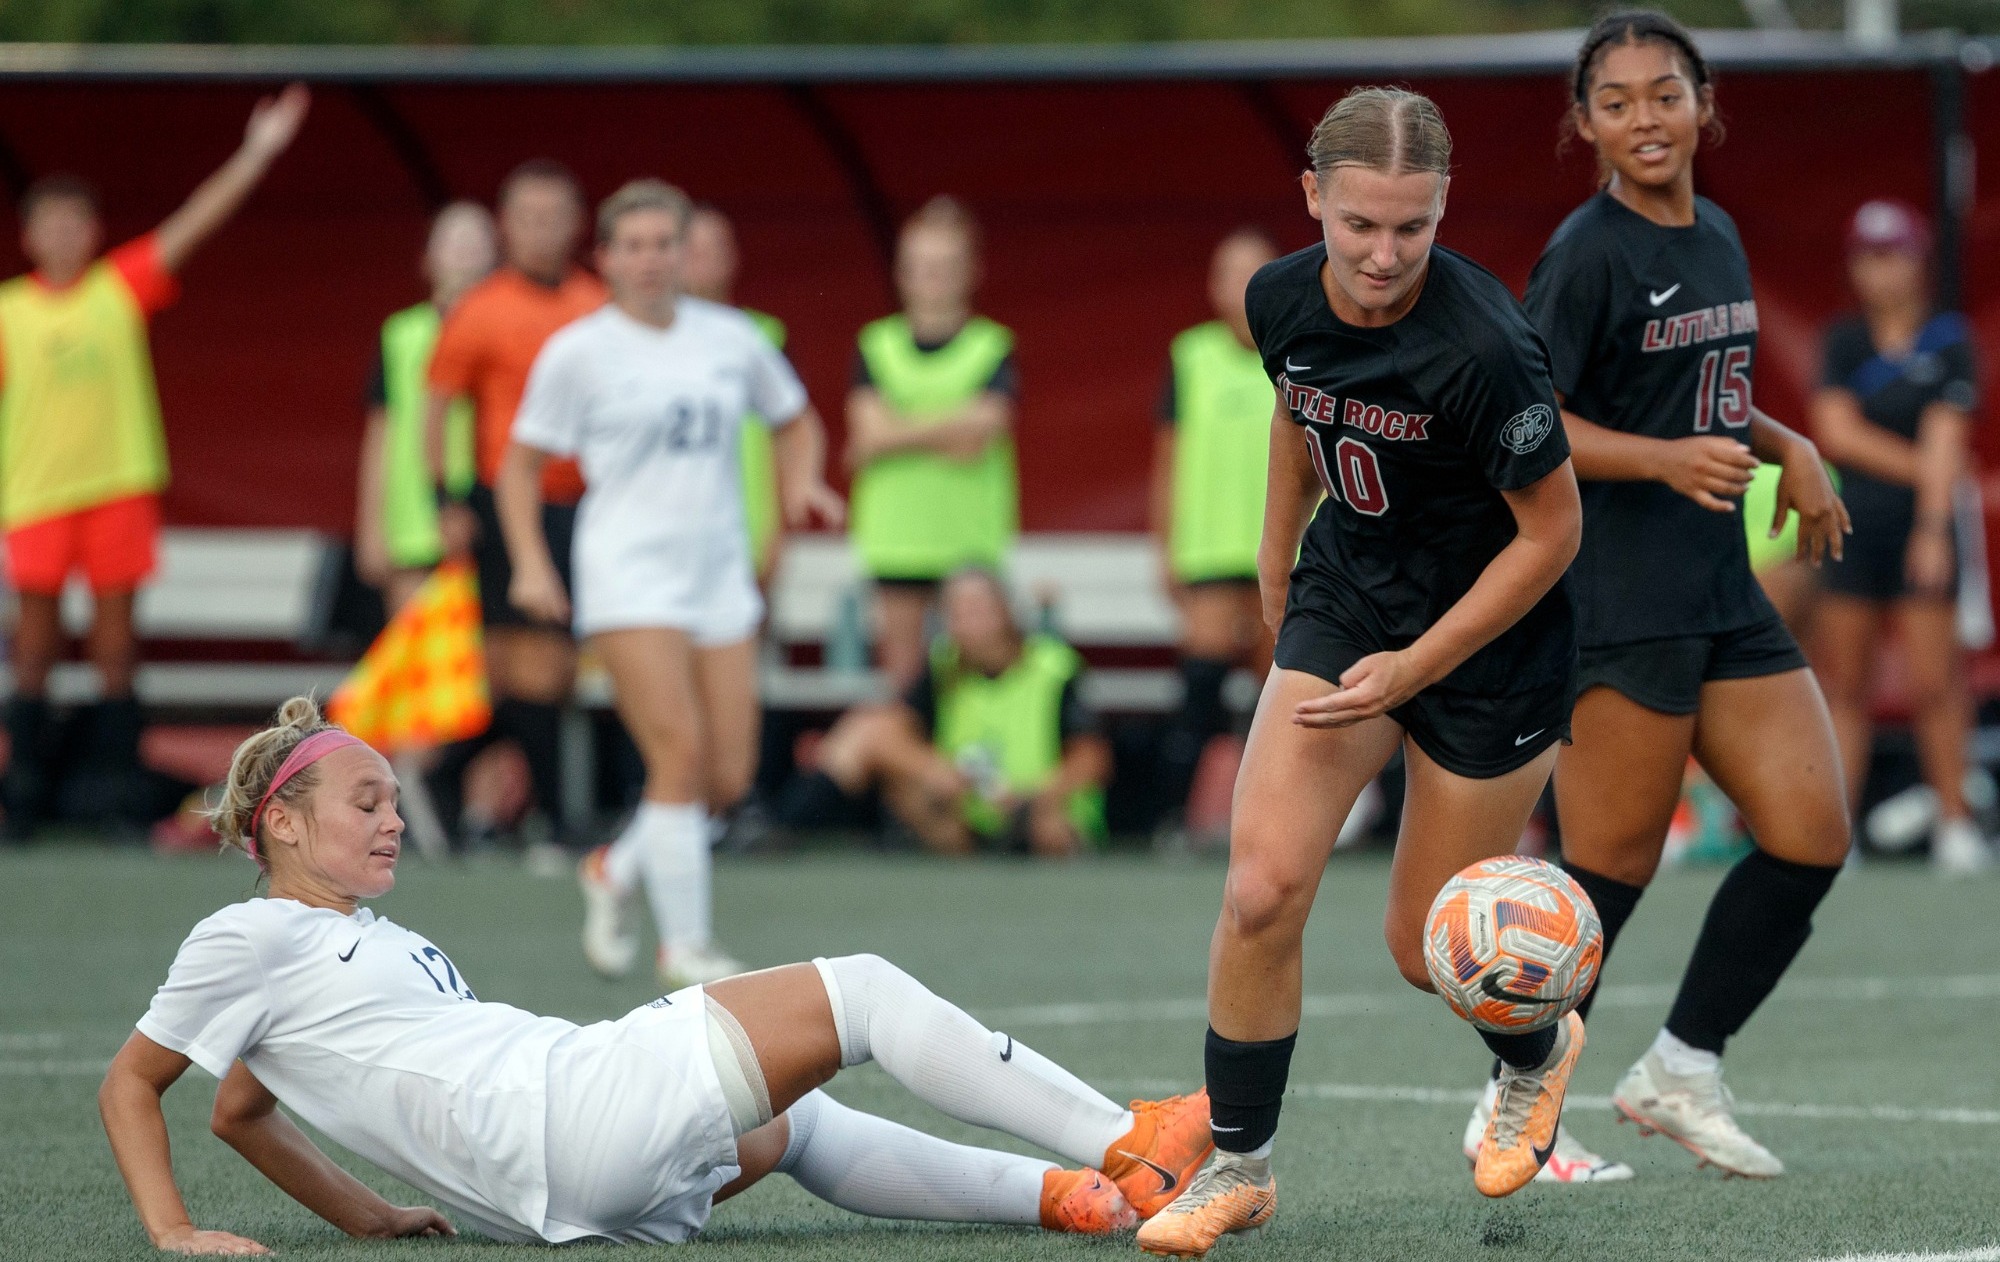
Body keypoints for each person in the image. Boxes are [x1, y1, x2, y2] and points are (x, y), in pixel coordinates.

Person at [97, 696, 1216, 1254]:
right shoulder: (246, 935)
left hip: (563, 1189)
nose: (393, 819)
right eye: (367, 801)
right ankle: (1127, 1137)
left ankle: (1067, 1196)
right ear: (282, 822)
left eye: (394, 797)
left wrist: (376, 1218)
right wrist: (171, 1232)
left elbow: (240, 1111)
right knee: (861, 986)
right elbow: (130, 1084)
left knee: (789, 1122)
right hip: (567, 1109)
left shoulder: (334, 942)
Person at [1138, 87, 1586, 1257]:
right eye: (1357, 226)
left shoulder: (1484, 345)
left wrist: (1412, 668)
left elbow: (1552, 535)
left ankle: (1538, 1053)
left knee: (1421, 946)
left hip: (1491, 641)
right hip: (1349, 597)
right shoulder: (1275, 293)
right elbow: (1299, 410)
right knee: (1259, 888)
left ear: (1443, 208)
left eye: (1412, 227)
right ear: (1310, 201)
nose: (1383, 255)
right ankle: (1238, 1166)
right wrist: (1276, 564)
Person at [1455, 9, 1853, 1188]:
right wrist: (1665, 459)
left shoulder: (1717, 231)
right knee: (1606, 874)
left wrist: (1786, 444)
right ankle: (1506, 1097)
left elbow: (1698, 399)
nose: (1643, 117)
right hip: (1618, 598)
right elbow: (1528, 429)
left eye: (1662, 93)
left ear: (1702, 103)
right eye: (1616, 99)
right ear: (1582, 124)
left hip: (1720, 589)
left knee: (1809, 834)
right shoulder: (1584, 254)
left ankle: (1678, 1066)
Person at [498, 181, 845, 987]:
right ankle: (685, 947)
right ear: (606, 257)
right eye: (634, 244)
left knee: (724, 776)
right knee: (678, 752)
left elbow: (795, 419)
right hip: (628, 574)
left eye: (665, 243)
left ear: (688, 252)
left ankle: (615, 869)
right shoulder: (580, 351)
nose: (651, 259)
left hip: (718, 573)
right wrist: (529, 560)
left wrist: (802, 482)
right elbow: (519, 466)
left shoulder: (731, 338)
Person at [0, 85, 308, 839]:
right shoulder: (10, 309)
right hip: (37, 498)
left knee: (114, 653)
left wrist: (258, 150)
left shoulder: (117, 289)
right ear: (30, 236)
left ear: (93, 232)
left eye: (77, 223)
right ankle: (26, 796)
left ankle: (107, 792)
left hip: (116, 492)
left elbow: (194, 223)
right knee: (33, 653)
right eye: (51, 225)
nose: (65, 236)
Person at [422, 160, 606, 857]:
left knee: (550, 666)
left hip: (581, 500)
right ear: (507, 224)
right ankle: (553, 818)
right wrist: (447, 498)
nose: (541, 230)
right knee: (530, 661)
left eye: (554, 215)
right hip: (506, 498)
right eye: (528, 217)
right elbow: (436, 410)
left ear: (576, 222)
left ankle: (450, 773)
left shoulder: (595, 302)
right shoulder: (482, 307)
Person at [1810, 198, 1990, 875]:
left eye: (1894, 255)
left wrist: (1935, 524)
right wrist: (1936, 471)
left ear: (1918, 261)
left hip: (1928, 532)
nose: (1880, 271)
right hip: (1852, 527)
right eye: (1868, 257)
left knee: (1936, 683)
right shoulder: (1843, 340)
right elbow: (1837, 432)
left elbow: (1950, 431)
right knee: (1845, 683)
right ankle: (1838, 833)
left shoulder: (1950, 339)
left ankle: (1955, 825)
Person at [788, 567, 1110, 857]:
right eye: (955, 614)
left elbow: (1091, 758)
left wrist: (1034, 795)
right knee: (868, 731)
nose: (964, 625)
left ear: (1005, 612)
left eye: (975, 611)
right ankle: (788, 824)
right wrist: (935, 769)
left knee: (1050, 826)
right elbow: (893, 728)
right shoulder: (944, 664)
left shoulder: (1054, 669)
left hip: (1033, 809)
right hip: (965, 813)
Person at [846, 196, 1020, 688]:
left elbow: (985, 428)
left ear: (971, 272)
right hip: (895, 538)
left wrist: (894, 434)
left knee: (969, 680)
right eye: (921, 267)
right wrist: (950, 426)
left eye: (945, 267)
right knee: (903, 682)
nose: (933, 279)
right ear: (901, 273)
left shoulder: (992, 345)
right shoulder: (875, 344)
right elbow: (867, 431)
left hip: (968, 540)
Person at [1150, 228, 1282, 838]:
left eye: (1257, 271)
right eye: (1232, 272)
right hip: (1208, 552)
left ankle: (1275, 823)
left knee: (1279, 698)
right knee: (1200, 689)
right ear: (1213, 286)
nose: (1245, 286)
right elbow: (1166, 462)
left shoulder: (1301, 352)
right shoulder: (1190, 356)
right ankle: (1175, 816)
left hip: (1285, 552)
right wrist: (1164, 550)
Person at [354, 202, 497, 614]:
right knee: (418, 656)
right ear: (427, 258)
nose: (465, 251)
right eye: (452, 240)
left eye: (477, 240)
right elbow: (381, 432)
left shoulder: (508, 329)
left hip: (488, 512)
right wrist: (371, 528)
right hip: (412, 517)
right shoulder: (400, 333)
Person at [679, 203, 789, 591]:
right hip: (665, 533)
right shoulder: (638, 338)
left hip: (744, 531)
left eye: (713, 251)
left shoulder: (761, 337)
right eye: (693, 251)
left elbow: (788, 435)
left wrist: (779, 530)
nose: (702, 262)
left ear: (733, 260)